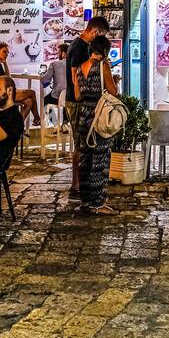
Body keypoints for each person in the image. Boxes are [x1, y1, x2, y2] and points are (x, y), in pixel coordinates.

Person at [65, 16, 111, 200]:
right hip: (78, 103)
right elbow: (75, 78)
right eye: (100, 35)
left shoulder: (80, 46)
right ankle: (76, 186)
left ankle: (81, 186)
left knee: (83, 144)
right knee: (81, 144)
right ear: (95, 31)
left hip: (79, 101)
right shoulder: (78, 48)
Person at [73, 34, 117, 215]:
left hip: (83, 117)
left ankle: (85, 202)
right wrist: (115, 82)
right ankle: (98, 204)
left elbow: (77, 95)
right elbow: (112, 91)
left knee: (85, 160)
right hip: (99, 117)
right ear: (104, 51)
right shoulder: (103, 66)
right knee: (100, 159)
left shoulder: (79, 68)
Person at [0, 42, 38, 126]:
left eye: (7, 52)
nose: (6, 54)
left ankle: (17, 125)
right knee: (32, 92)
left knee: (29, 101)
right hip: (3, 95)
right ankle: (37, 118)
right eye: (4, 52)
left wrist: (5, 64)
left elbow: (7, 77)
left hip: (5, 93)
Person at [41, 43, 70, 108]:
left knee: (42, 102)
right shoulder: (75, 65)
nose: (57, 54)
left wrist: (41, 77)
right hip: (71, 97)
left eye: (59, 52)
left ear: (63, 54)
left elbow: (45, 80)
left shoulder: (54, 64)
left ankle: (51, 118)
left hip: (57, 97)